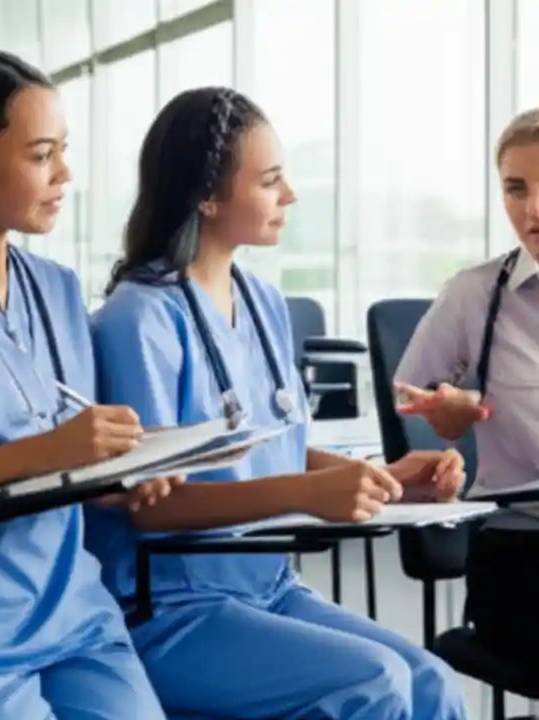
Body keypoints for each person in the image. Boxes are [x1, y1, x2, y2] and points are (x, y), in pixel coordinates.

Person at [84, 87, 468, 719]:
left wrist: (387, 478)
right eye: (269, 181)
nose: (290, 195)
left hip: (268, 586)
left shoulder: (261, 301)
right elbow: (153, 506)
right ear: (207, 196)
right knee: (373, 684)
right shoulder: (138, 320)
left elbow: (274, 448)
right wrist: (305, 494)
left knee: (433, 681)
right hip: (169, 607)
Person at [0, 49, 175, 719]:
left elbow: (71, 457)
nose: (64, 174)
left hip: (73, 613)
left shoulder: (56, 289)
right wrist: (51, 451)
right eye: (41, 155)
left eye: (64, 151)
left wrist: (125, 473)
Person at [394, 108, 539, 493]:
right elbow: (408, 396)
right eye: (516, 189)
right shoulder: (473, 294)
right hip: (518, 518)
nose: (533, 209)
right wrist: (447, 412)